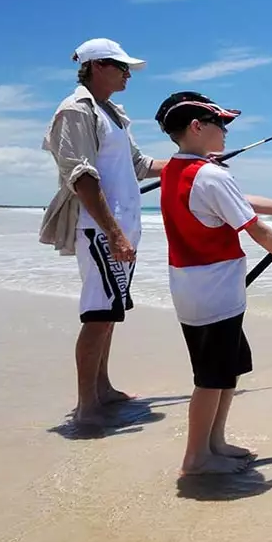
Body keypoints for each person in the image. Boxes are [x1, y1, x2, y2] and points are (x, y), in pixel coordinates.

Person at [154, 91, 272, 475]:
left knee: (227, 370)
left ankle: (214, 443)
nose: (227, 130)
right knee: (210, 377)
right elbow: (259, 231)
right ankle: (196, 458)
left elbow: (239, 200)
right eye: (221, 123)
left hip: (195, 288)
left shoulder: (177, 170)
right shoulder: (212, 175)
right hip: (214, 292)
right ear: (197, 127)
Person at [39, 38, 168, 427]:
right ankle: (86, 406)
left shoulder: (111, 112)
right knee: (98, 314)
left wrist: (191, 161)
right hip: (99, 230)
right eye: (121, 66)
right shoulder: (76, 110)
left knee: (110, 313)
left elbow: (140, 166)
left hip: (121, 228)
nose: (128, 73)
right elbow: (80, 176)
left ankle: (103, 388)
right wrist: (112, 232)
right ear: (97, 66)